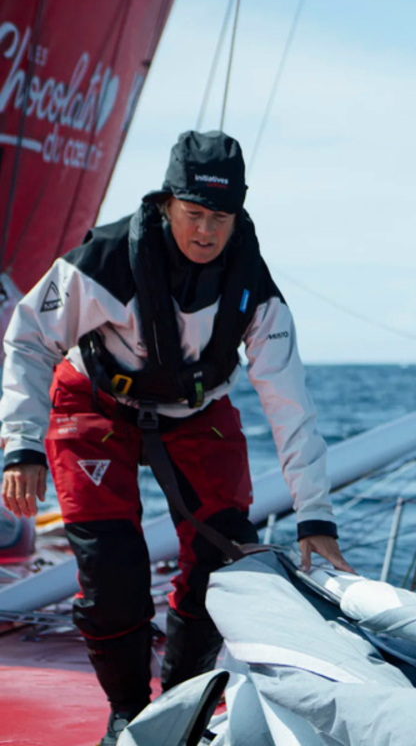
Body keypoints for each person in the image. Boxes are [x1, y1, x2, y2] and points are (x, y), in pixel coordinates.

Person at [0, 130, 353, 744]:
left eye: (221, 217)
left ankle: (184, 701)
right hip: (96, 403)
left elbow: (290, 402)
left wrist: (315, 516)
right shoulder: (106, 260)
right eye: (193, 213)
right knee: (113, 570)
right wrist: (20, 444)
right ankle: (128, 712)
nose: (206, 232)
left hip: (196, 413)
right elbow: (28, 337)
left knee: (225, 558)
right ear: (166, 204)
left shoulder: (254, 286)